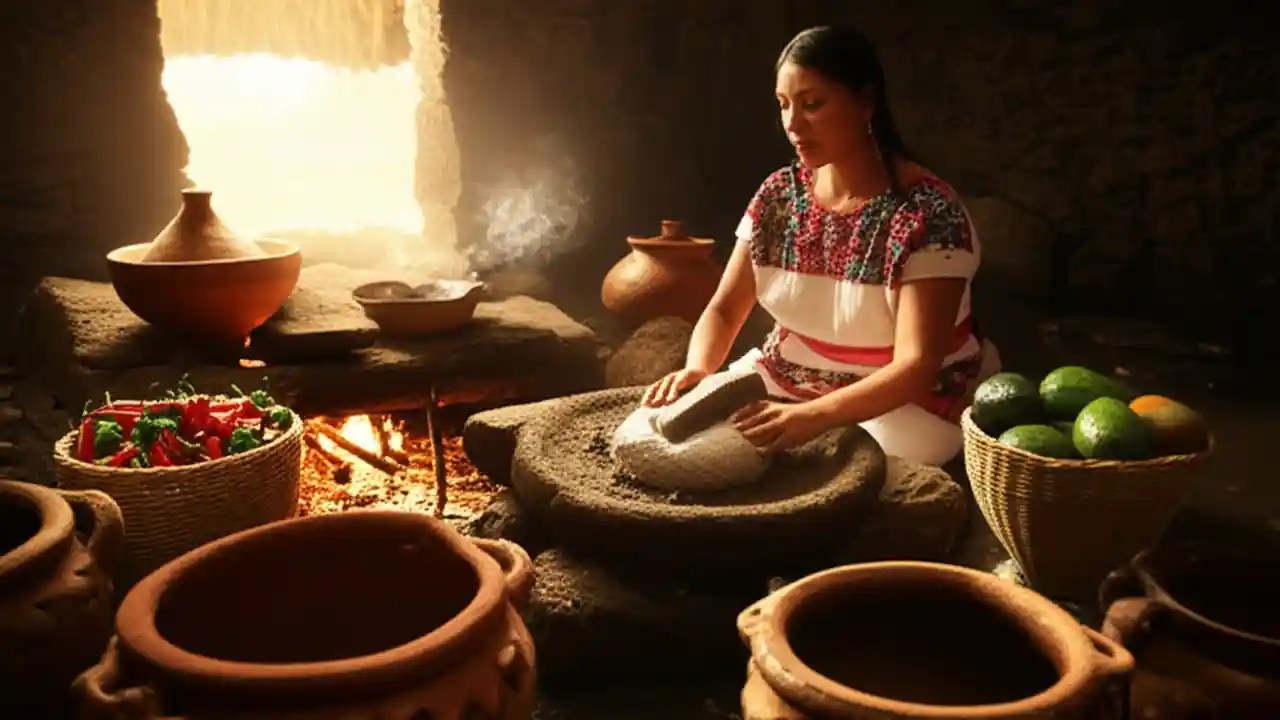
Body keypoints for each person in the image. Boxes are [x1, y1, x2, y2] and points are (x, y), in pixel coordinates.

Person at [641, 25, 1000, 467]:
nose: (793, 124)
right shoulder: (778, 196)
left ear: (865, 102)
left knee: (841, 478)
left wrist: (812, 418)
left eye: (812, 104)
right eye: (783, 105)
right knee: (663, 441)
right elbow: (724, 309)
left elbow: (916, 366)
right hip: (788, 377)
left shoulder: (927, 212)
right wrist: (700, 370)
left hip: (906, 403)